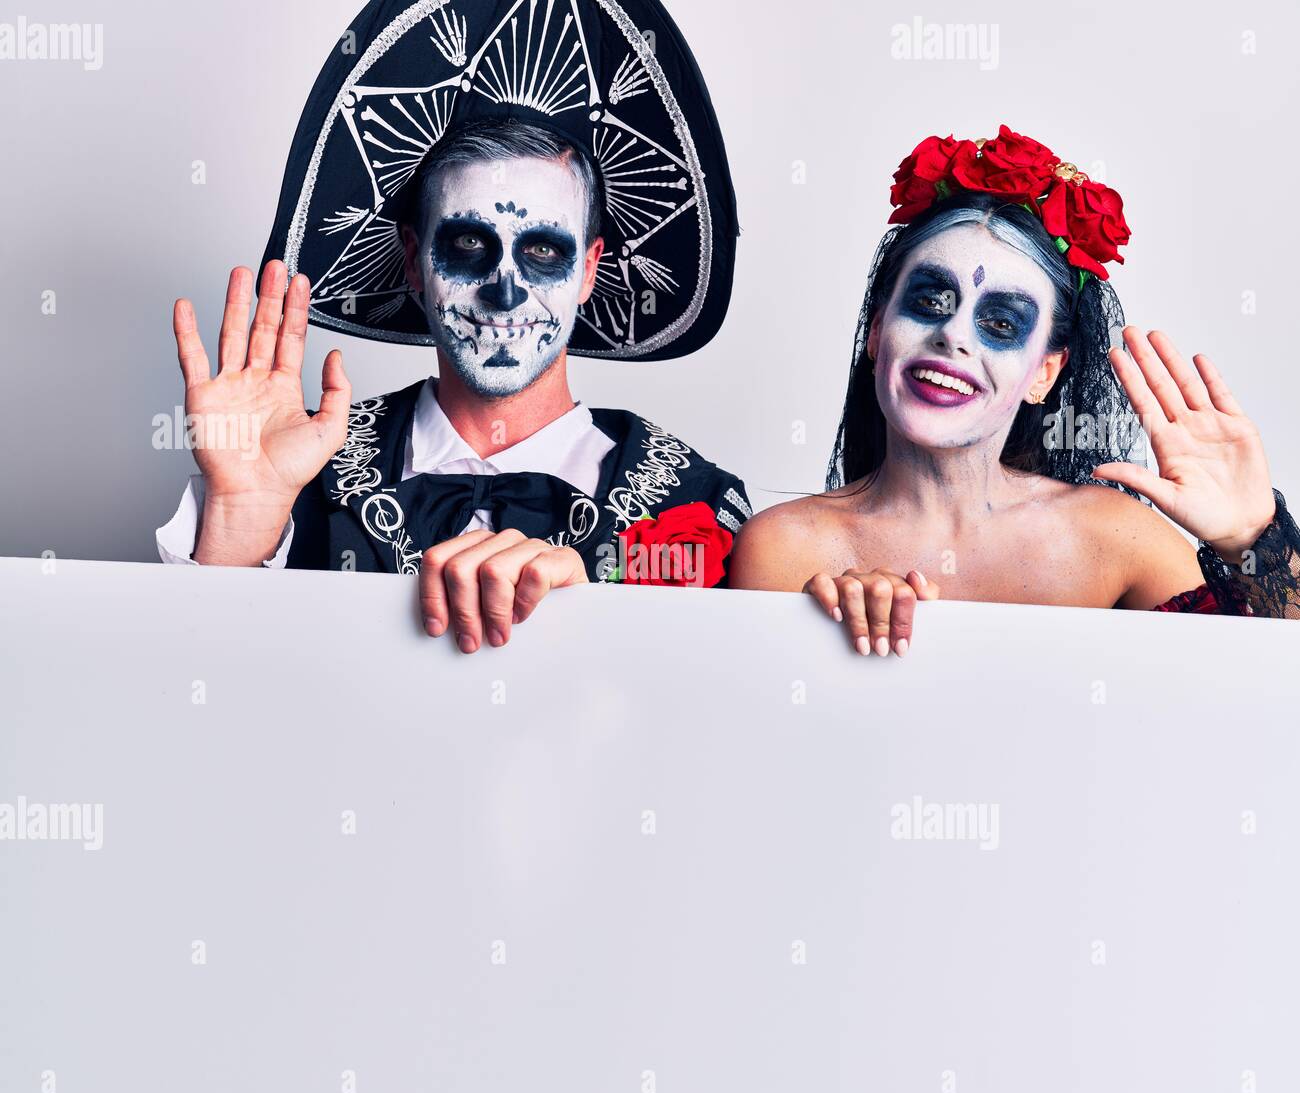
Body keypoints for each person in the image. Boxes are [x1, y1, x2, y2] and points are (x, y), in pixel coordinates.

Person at [158, 0, 751, 652]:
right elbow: (203, 684)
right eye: (469, 244)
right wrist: (240, 516)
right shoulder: (298, 477)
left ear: (588, 271)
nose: (504, 290)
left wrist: (601, 618)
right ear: (414, 260)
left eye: (543, 250)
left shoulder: (695, 506)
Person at [730, 126, 1299, 654]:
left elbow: (1258, 695)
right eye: (929, 301)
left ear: (1044, 373)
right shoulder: (786, 548)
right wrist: (833, 641)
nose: (954, 336)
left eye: (1002, 323)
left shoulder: (1115, 537)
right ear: (877, 332)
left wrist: (1254, 540)